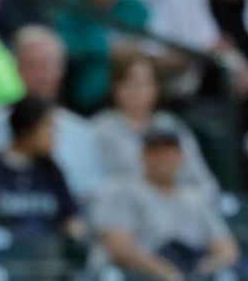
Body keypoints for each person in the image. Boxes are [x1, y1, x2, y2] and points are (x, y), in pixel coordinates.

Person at [91, 122, 238, 281]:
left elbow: (227, 250)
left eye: (169, 152)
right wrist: (168, 274)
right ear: (143, 155)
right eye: (156, 152)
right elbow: (120, 248)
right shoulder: (121, 190)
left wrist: (200, 274)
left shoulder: (195, 199)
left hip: (187, 273)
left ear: (181, 157)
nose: (163, 158)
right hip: (135, 280)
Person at [0, 93, 84, 240]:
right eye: (48, 126)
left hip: (44, 257)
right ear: (26, 130)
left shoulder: (52, 170)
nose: (53, 135)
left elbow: (72, 220)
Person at [91, 55, 219, 196]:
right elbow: (93, 185)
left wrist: (177, 197)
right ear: (116, 87)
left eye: (145, 83)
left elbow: (206, 185)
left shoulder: (171, 126)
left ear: (155, 88)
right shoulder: (100, 129)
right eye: (131, 83)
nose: (138, 91)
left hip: (177, 209)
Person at [13, 25, 102, 203]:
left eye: (46, 66)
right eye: (32, 66)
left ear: (61, 70)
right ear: (17, 69)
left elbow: (90, 197)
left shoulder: (83, 133)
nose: (41, 76)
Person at [54, 0, 149, 114]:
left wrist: (135, 48)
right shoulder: (73, 8)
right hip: (89, 84)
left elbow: (150, 37)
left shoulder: (134, 7)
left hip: (130, 77)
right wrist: (105, 49)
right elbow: (62, 42)